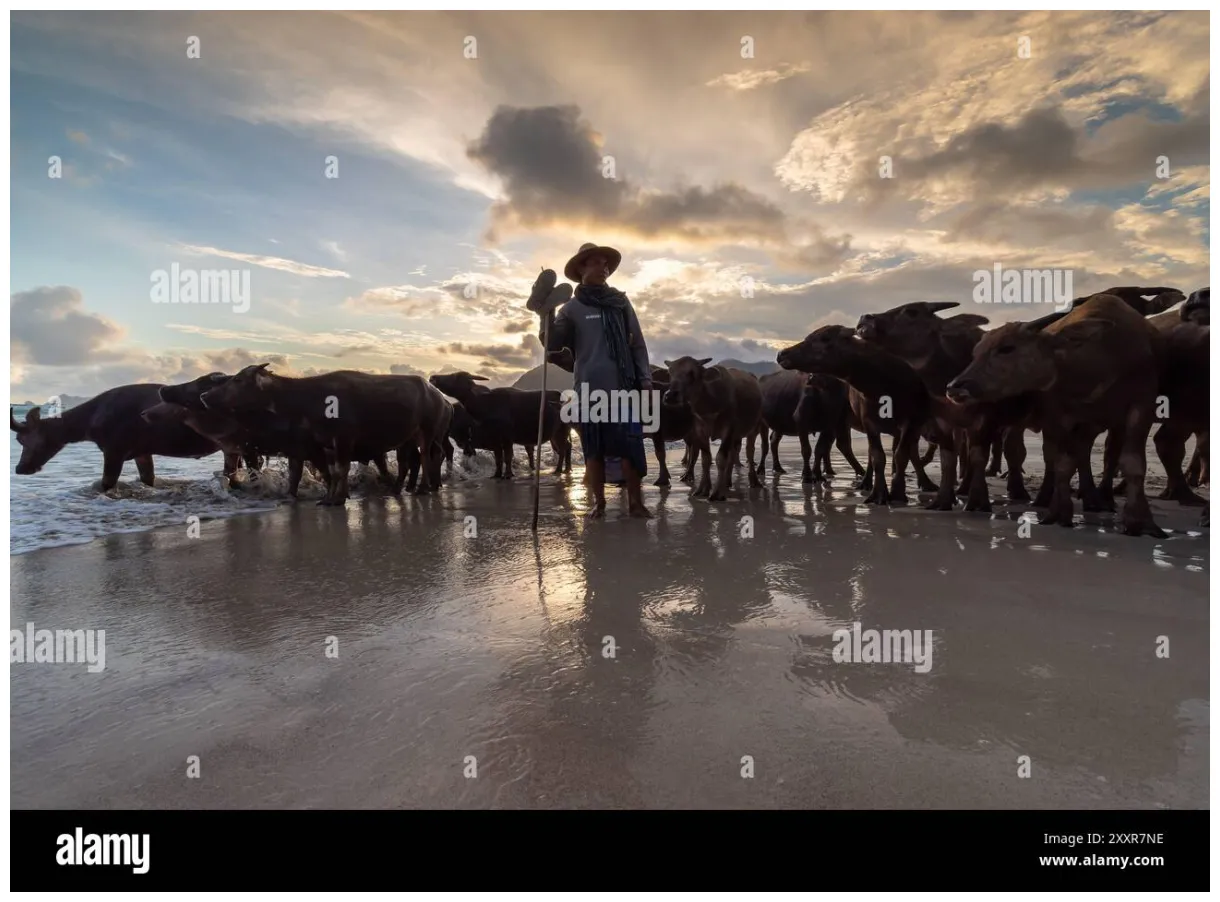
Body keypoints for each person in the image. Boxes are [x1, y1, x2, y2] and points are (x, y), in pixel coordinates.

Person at [541, 242, 653, 519]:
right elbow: (552, 342)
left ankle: (636, 504)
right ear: (581, 268)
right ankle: (599, 503)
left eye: (606, 264)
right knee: (594, 447)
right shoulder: (571, 308)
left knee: (630, 445)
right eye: (596, 263)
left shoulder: (620, 302)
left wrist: (646, 379)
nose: (604, 268)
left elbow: (637, 343)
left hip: (623, 386)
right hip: (589, 388)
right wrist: (546, 312)